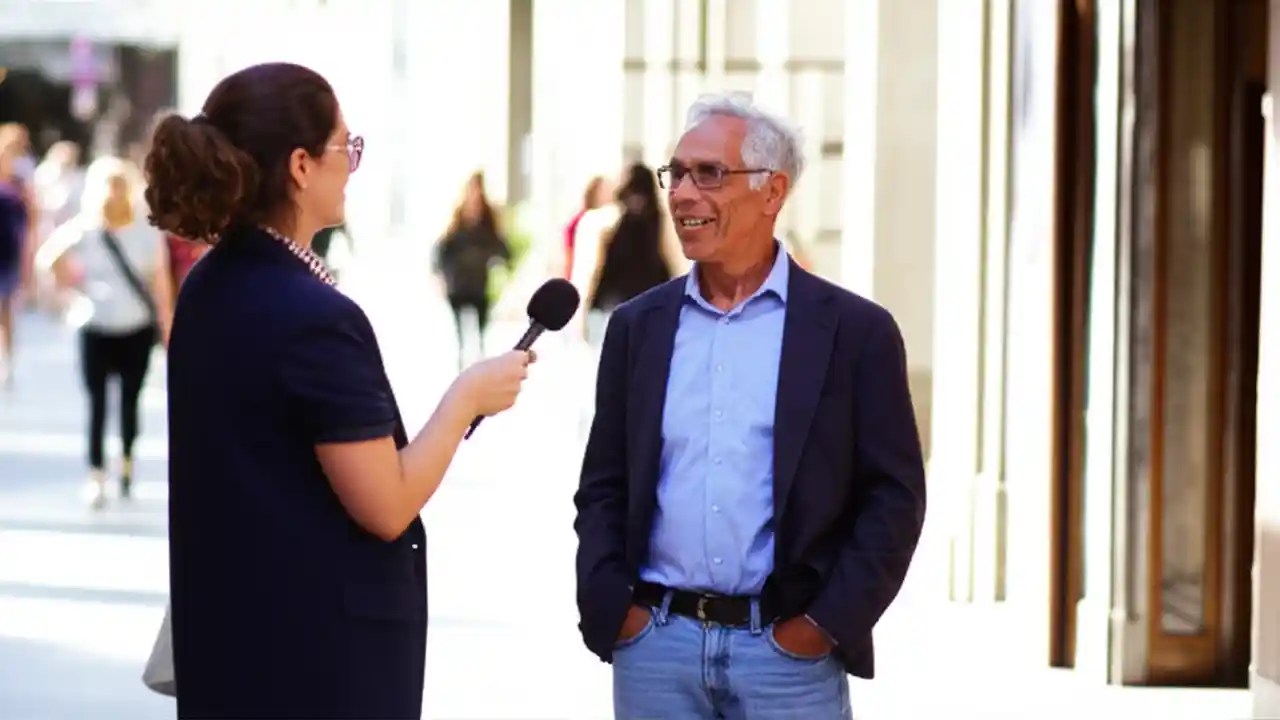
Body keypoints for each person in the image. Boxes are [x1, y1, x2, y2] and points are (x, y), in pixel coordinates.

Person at [145, 62, 533, 719]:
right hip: (318, 661)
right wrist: (467, 396)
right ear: (300, 165)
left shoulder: (211, 284)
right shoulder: (314, 316)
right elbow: (385, 504)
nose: (351, 165)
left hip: (231, 643)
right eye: (344, 147)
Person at [573, 92, 927, 719]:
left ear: (773, 191)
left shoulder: (855, 333)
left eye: (709, 174)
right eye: (676, 173)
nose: (682, 194)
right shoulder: (637, 329)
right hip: (657, 648)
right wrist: (614, 609)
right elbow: (603, 485)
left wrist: (822, 624)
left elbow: (893, 498)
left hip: (788, 658)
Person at [44, 156, 172, 508]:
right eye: (108, 186)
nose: (113, 193)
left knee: (130, 402)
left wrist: (168, 323)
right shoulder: (85, 228)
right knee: (98, 403)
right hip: (95, 325)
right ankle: (97, 473)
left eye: (119, 186)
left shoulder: (146, 231)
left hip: (136, 328)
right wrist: (69, 289)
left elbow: (159, 282)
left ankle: (126, 463)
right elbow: (49, 257)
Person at [433, 171, 510, 368]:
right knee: (460, 330)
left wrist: (500, 265)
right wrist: (440, 277)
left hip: (479, 283)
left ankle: (479, 365)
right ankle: (462, 364)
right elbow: (442, 248)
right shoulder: (458, 217)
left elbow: (501, 247)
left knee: (481, 329)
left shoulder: (488, 219)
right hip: (458, 282)